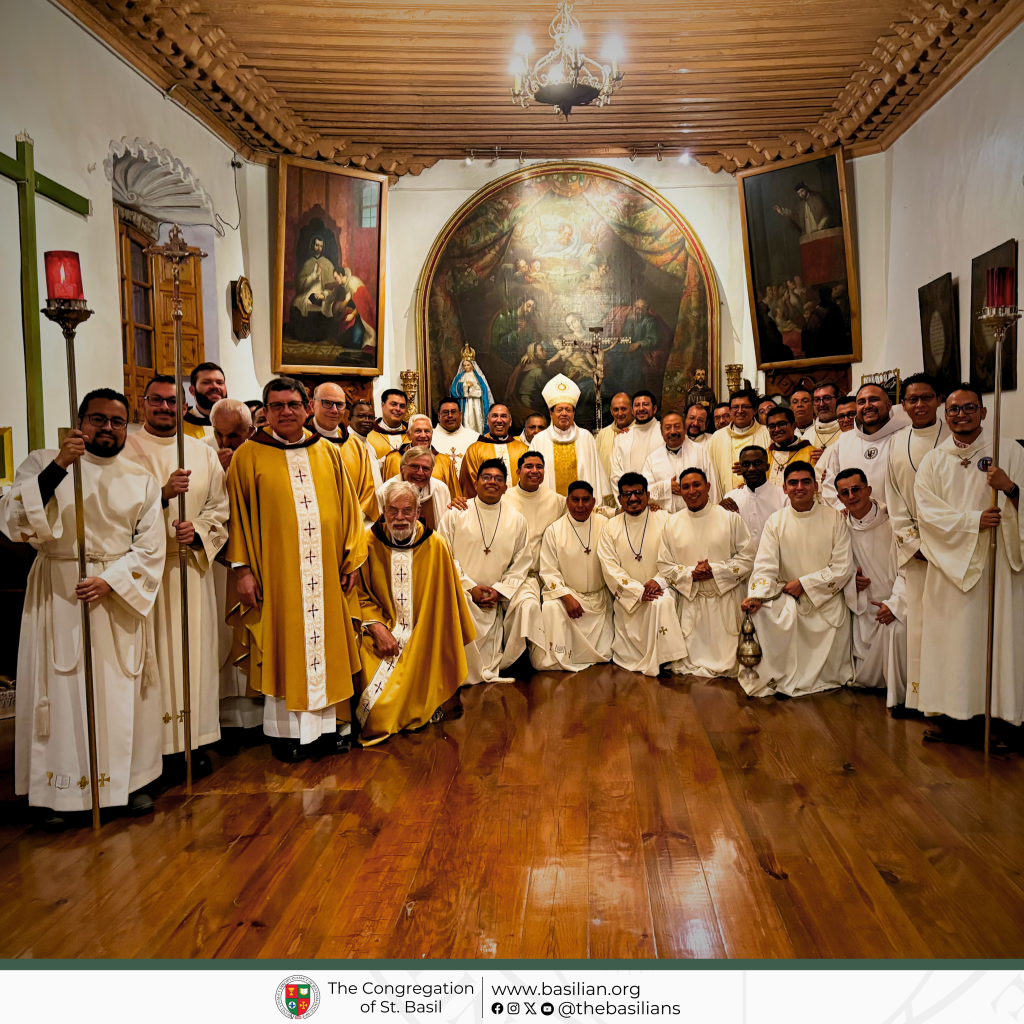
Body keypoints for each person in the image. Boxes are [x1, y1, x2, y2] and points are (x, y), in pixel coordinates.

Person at [2, 388, 165, 826]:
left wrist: (111, 581)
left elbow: (151, 546)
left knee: (120, 687)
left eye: (116, 421)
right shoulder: (43, 462)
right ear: (80, 421)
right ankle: (58, 794)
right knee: (60, 689)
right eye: (98, 419)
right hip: (59, 590)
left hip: (116, 596)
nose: (107, 428)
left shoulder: (141, 478)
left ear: (126, 426)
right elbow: (15, 520)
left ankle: (126, 785)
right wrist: (60, 465)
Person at [226, 376, 367, 763]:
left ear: (307, 408)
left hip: (327, 572)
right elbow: (236, 516)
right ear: (266, 411)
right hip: (278, 574)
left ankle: (328, 728)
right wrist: (242, 571)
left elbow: (349, 508)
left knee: (328, 644)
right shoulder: (248, 455)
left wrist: (352, 558)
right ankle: (285, 733)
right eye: (277, 406)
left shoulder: (327, 451)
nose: (285, 412)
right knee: (284, 644)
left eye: (292, 404)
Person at [123, 375, 229, 776]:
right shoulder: (125, 450)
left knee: (193, 656)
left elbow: (219, 508)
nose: (164, 408)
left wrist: (198, 530)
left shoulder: (201, 453)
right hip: (144, 574)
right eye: (157, 400)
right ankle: (154, 749)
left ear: (182, 406)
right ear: (143, 404)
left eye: (171, 401)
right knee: (155, 659)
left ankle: (191, 741)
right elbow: (115, 509)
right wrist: (163, 497)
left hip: (189, 570)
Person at [914, 386, 1024, 741]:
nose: (961, 415)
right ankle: (954, 715)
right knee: (953, 641)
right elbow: (926, 514)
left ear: (983, 412)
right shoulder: (933, 460)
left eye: (969, 408)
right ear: (945, 415)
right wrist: (972, 521)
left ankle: (1002, 718)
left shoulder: (1009, 451)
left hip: (998, 563)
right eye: (954, 409)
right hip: (951, 567)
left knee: (998, 639)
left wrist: (1011, 488)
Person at [352, 480, 476, 746]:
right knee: (376, 712)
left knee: (386, 709)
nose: (399, 518)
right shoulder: (368, 543)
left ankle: (427, 703)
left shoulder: (435, 546)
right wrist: (377, 627)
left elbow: (446, 607)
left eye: (407, 510)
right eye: (393, 510)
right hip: (379, 634)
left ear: (418, 512)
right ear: (383, 511)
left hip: (423, 641)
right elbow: (356, 595)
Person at [741, 462, 854, 698]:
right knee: (760, 613)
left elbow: (842, 567)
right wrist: (757, 595)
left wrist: (805, 583)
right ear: (784, 488)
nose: (799, 487)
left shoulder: (834, 519)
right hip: (787, 596)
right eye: (793, 483)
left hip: (825, 597)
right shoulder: (775, 521)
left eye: (805, 482)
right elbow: (765, 565)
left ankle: (818, 676)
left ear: (816, 486)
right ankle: (777, 675)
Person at [438, 459, 539, 683]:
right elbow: (444, 555)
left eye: (498, 479)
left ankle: (513, 663)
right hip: (462, 591)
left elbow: (522, 561)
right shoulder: (456, 514)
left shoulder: (516, 520)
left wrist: (500, 590)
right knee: (459, 603)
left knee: (526, 602)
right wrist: (469, 587)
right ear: (475, 483)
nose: (492, 482)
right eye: (486, 477)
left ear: (505, 487)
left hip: (496, 597)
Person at [884, 372, 946, 711]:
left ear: (939, 400)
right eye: (912, 399)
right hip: (917, 552)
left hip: (952, 549)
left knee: (949, 624)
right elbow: (893, 497)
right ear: (903, 405)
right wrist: (913, 543)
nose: (919, 404)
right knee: (919, 625)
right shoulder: (897, 442)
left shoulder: (954, 438)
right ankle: (921, 698)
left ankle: (951, 699)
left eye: (926, 398)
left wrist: (944, 542)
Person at [657, 468, 756, 679]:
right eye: (685, 487)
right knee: (688, 666)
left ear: (708, 487)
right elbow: (664, 565)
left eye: (697, 485)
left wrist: (716, 571)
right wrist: (691, 574)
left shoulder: (730, 519)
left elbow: (748, 557)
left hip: (725, 600)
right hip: (691, 602)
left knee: (729, 663)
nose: (692, 491)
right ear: (680, 491)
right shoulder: (671, 524)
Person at [207, 399, 263, 738]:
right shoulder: (202, 455)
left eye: (235, 435)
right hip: (213, 564)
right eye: (220, 435)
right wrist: (215, 470)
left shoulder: (260, 454)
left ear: (250, 430)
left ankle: (254, 716)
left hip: (253, 560)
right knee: (218, 633)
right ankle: (217, 717)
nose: (226, 443)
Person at [596, 473, 687, 676]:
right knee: (650, 605)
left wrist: (659, 581)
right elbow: (609, 567)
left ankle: (665, 658)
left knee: (662, 602)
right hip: (629, 598)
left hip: (661, 588)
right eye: (627, 494)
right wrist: (637, 592)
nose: (633, 498)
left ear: (647, 495)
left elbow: (678, 555)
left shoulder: (665, 519)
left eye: (638, 492)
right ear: (619, 499)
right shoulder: (610, 527)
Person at [834, 468, 907, 705]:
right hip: (863, 606)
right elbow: (835, 566)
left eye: (856, 489)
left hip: (896, 600)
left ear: (869, 490)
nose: (851, 496)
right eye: (845, 492)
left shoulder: (894, 522)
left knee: (898, 630)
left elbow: (908, 570)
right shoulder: (840, 526)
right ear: (839, 498)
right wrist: (851, 582)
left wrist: (895, 605)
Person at [534, 481, 613, 671]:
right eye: (575, 500)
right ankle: (559, 656)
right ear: (567, 501)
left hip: (600, 598)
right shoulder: (554, 530)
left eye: (585, 500)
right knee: (551, 607)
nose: (580, 505)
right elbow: (548, 570)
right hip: (570, 596)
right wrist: (566, 597)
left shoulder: (605, 525)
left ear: (594, 501)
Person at [502, 452, 566, 663]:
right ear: (518, 471)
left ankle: (544, 657)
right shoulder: (504, 498)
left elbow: (582, 510)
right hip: (518, 575)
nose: (534, 471)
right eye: (528, 466)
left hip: (547, 574)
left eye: (539, 467)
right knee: (526, 607)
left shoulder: (555, 500)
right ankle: (518, 660)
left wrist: (617, 512)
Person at [820, 384, 911, 509]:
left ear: (889, 405)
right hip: (853, 518)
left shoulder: (906, 437)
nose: (867, 406)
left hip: (896, 518)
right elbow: (830, 483)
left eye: (874, 399)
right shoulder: (844, 440)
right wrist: (841, 507)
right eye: (861, 402)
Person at [530, 374, 610, 501]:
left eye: (568, 410)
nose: (564, 414)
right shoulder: (539, 440)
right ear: (551, 413)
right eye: (559, 410)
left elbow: (595, 475)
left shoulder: (585, 437)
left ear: (573, 413)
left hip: (582, 505)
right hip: (549, 506)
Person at [310, 382, 379, 527]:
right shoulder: (300, 443)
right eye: (327, 403)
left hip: (352, 525)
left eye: (340, 404)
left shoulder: (356, 445)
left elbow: (367, 491)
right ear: (312, 405)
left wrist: (354, 520)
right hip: (312, 526)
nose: (334, 410)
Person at [643, 412, 718, 513]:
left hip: (698, 515)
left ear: (685, 428)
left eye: (677, 426)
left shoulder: (700, 452)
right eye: (668, 428)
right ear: (661, 432)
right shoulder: (652, 459)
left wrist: (714, 512)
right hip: (665, 517)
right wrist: (666, 487)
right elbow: (644, 490)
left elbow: (712, 486)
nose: (673, 432)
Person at [721, 446, 788, 550]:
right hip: (741, 559)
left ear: (767, 466)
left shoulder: (783, 497)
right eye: (746, 464)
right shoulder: (731, 498)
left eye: (757, 463)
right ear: (740, 468)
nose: (751, 469)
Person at [706, 389, 771, 495]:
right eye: (735, 407)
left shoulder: (767, 434)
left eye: (745, 406)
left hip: (762, 497)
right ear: (730, 411)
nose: (740, 411)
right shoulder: (717, 437)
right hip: (726, 500)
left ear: (754, 410)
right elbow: (711, 474)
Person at [382, 414, 461, 497]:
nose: (423, 435)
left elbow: (455, 498)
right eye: (418, 431)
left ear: (432, 434)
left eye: (427, 431)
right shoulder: (392, 459)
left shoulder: (445, 462)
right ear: (408, 435)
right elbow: (384, 494)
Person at [459, 404, 529, 496]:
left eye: (503, 416)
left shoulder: (523, 449)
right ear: (488, 421)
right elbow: (470, 486)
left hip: (518, 502)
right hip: (485, 503)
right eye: (495, 416)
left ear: (510, 422)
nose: (499, 420)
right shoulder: (474, 450)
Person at [379, 446, 451, 530]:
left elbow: (446, 527)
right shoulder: (385, 492)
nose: (420, 473)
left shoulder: (441, 489)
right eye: (414, 466)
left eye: (425, 468)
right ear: (402, 469)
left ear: (431, 471)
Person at [609, 390, 661, 494]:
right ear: (632, 410)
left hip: (659, 500)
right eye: (637, 405)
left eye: (645, 404)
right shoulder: (622, 438)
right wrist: (626, 499)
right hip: (629, 500)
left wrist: (653, 497)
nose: (641, 408)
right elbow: (615, 475)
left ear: (654, 409)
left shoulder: (665, 434)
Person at [348, 398, 387, 498]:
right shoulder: (346, 443)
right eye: (361, 416)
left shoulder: (367, 443)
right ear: (350, 418)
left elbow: (372, 470)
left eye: (371, 417)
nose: (367, 420)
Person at [434, 397, 482, 479]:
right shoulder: (430, 438)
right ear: (439, 416)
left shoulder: (474, 438)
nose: (450, 416)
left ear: (460, 415)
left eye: (453, 412)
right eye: (445, 412)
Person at [765, 406, 813, 487]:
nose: (776, 429)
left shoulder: (811, 454)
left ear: (794, 425)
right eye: (772, 426)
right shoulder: (765, 455)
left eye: (781, 424)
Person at [182, 362, 227, 440]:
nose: (215, 386)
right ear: (192, 390)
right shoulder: (179, 426)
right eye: (206, 382)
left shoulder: (236, 423)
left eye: (220, 383)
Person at [802, 382, 843, 465]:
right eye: (817, 400)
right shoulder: (807, 436)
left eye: (827, 398)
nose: (821, 404)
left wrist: (827, 459)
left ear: (838, 401)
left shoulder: (847, 431)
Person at [596, 391, 634, 479]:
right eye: (616, 410)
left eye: (623, 409)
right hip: (605, 487)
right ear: (611, 411)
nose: (620, 414)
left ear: (632, 409)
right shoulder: (602, 434)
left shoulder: (639, 432)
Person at [366, 388, 409, 460]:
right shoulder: (368, 435)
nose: (398, 409)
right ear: (382, 405)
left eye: (402, 406)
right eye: (394, 404)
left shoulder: (413, 434)